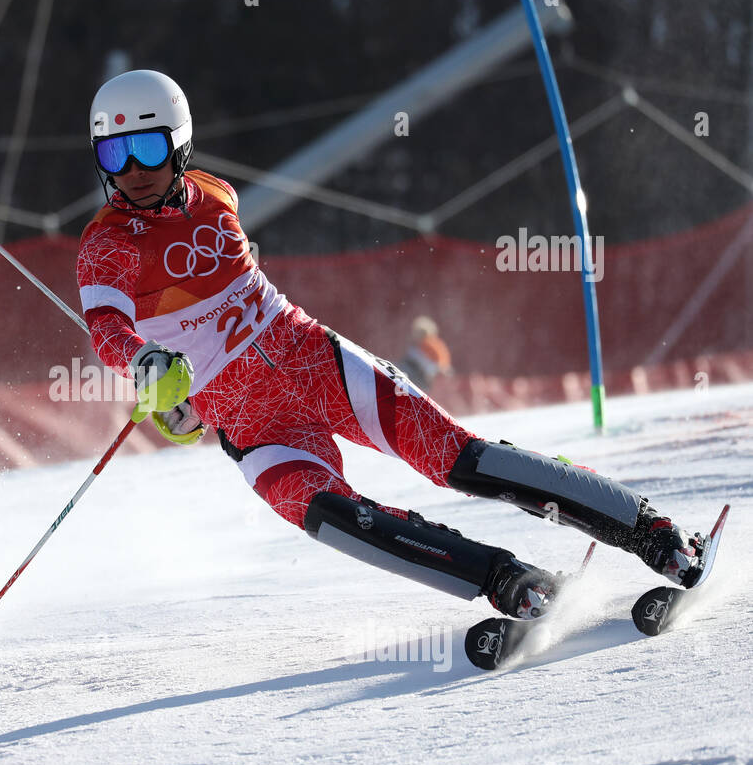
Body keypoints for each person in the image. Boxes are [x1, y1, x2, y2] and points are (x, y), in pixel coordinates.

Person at [75, 69, 707, 619]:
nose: (131, 172)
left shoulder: (217, 197)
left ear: (179, 145)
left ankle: (651, 531)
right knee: (336, 519)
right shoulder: (105, 245)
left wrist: (166, 376)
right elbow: (108, 328)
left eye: (148, 148)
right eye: (114, 155)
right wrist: (147, 366)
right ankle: (505, 580)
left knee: (460, 460)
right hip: (252, 426)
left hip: (312, 362)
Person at [400, 315, 453, 394]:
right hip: (429, 377)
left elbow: (438, 366)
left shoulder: (428, 345)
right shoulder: (435, 344)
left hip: (429, 379)